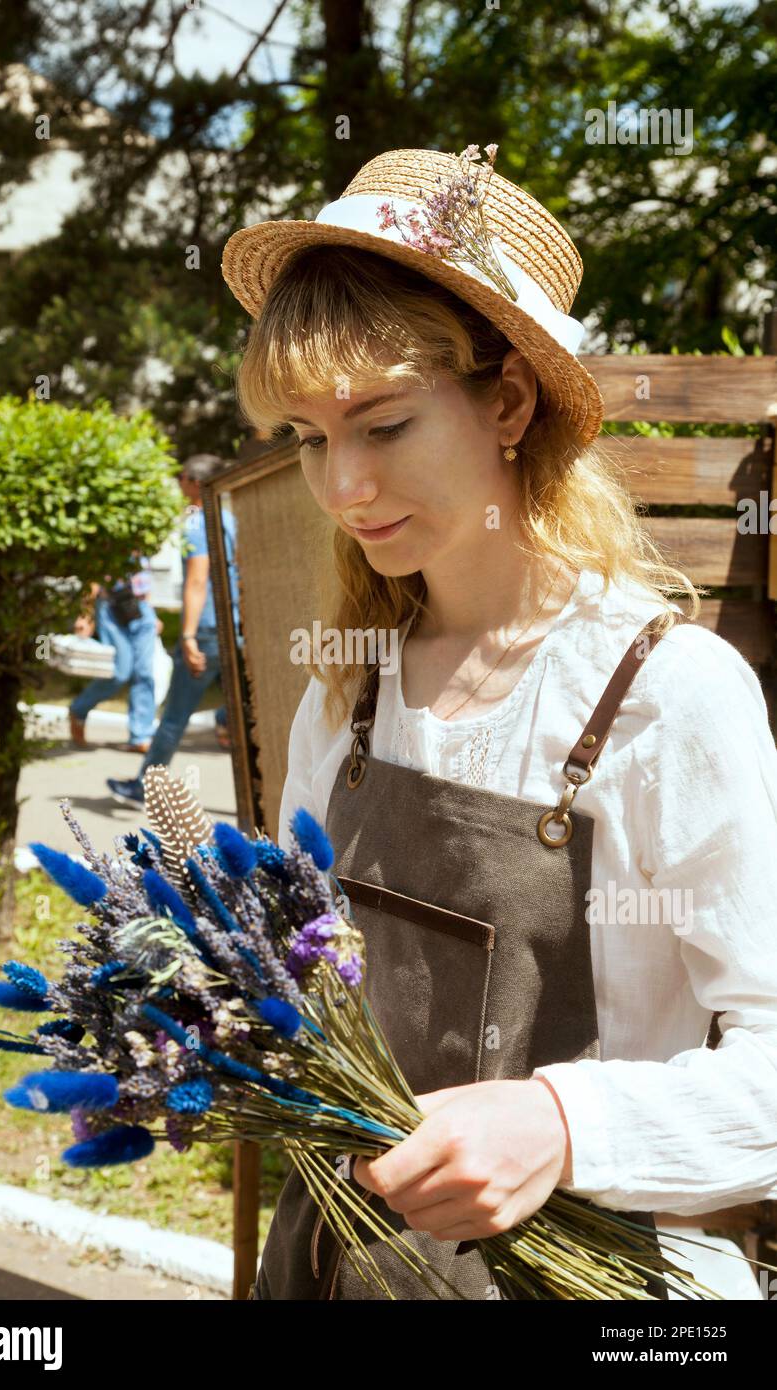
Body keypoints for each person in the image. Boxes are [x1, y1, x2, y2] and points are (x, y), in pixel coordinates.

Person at [220, 143, 777, 1301]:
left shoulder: (669, 696)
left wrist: (560, 1124)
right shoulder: (352, 690)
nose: (340, 490)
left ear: (507, 401)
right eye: (311, 438)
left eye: (380, 424)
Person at [106, 454, 240, 807]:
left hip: (208, 629)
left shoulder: (198, 525)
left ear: (195, 483)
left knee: (174, 717)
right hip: (237, 627)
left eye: (182, 477)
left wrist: (188, 636)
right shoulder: (229, 519)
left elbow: (197, 581)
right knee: (243, 712)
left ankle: (144, 789)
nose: (178, 483)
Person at [69, 559, 158, 753]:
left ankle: (140, 736)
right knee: (119, 673)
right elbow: (94, 572)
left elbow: (143, 573)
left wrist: (150, 611)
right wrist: (85, 614)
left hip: (141, 606)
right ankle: (78, 710)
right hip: (111, 606)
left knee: (144, 673)